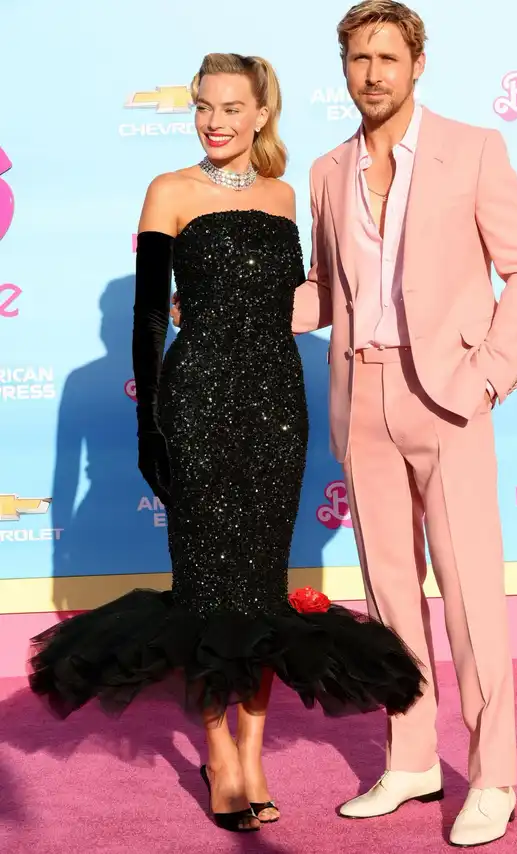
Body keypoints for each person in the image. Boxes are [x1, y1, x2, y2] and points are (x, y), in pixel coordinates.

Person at [172, 3, 517, 844]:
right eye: (357, 59)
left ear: (417, 64)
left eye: (386, 57)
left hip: (447, 395)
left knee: (471, 599)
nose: (372, 74)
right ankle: (412, 758)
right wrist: (228, 310)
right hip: (362, 395)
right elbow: (323, 292)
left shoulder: (474, 150)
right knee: (388, 599)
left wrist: (490, 375)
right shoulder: (327, 170)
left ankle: (494, 776)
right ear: (343, 68)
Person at [27, 52, 425, 834]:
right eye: (204, 106)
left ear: (262, 113)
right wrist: (150, 426)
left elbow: (297, 300)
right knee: (207, 588)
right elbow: (150, 316)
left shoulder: (284, 196)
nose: (215, 121)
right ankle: (221, 755)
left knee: (261, 591)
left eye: (231, 107)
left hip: (276, 406)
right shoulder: (168, 191)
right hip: (197, 405)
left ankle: (253, 754)